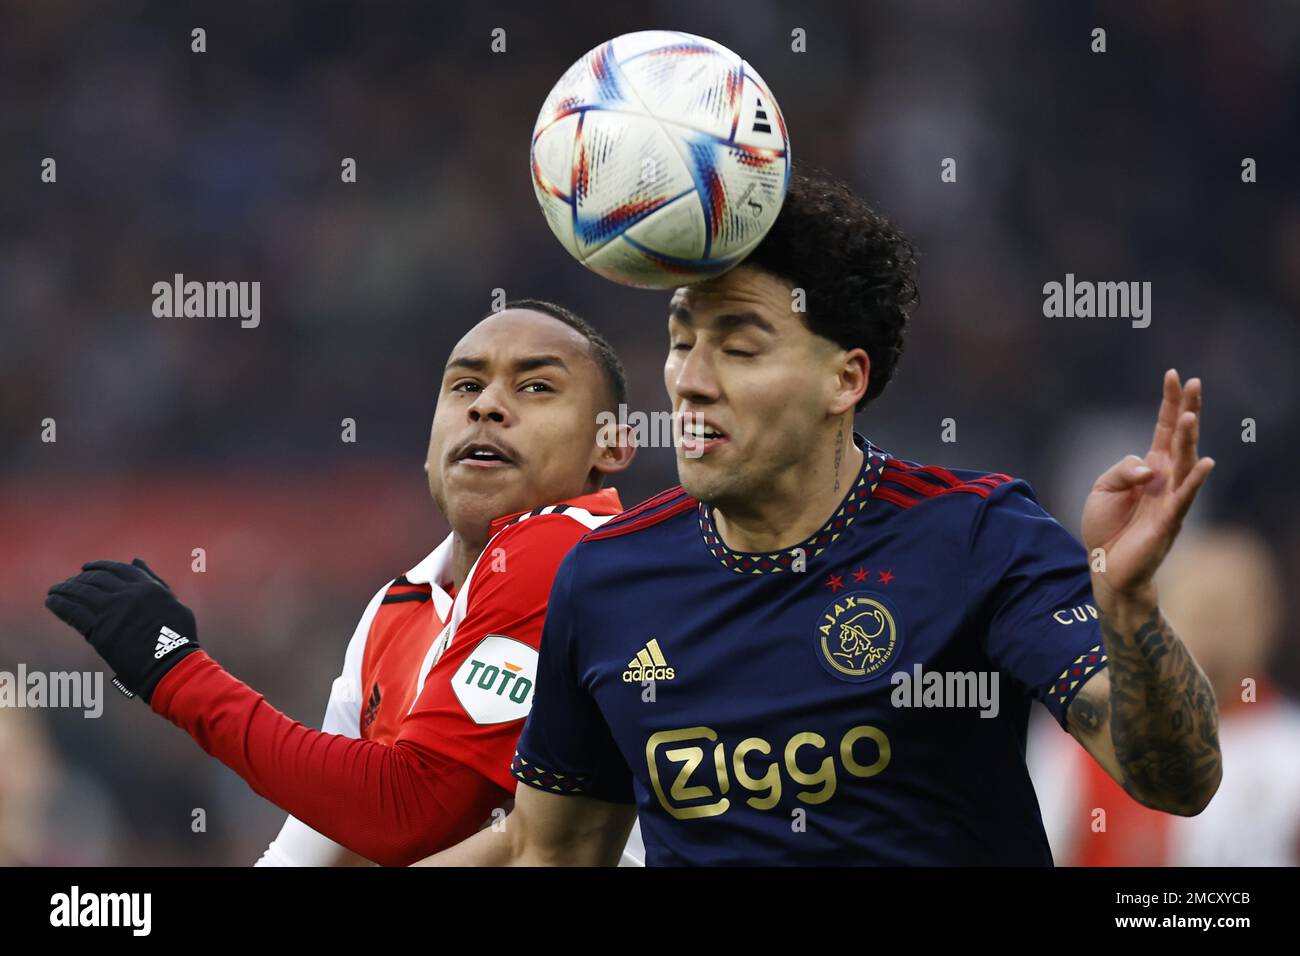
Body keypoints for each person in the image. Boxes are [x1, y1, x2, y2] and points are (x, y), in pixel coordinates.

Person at [421, 167, 1222, 866]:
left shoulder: (977, 536)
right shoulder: (605, 579)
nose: (691, 380)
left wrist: (1131, 612)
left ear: (845, 380)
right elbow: (549, 850)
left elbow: (1176, 781)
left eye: (738, 348)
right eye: (680, 340)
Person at [45, 301, 640, 866]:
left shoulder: (577, 549)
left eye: (536, 387)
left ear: (609, 442)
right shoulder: (395, 606)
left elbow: (410, 809)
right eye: (465, 386)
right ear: (429, 449)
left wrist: (177, 675)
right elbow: (322, 832)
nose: (487, 406)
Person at [1032, 525, 1300, 866]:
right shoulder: (1083, 734)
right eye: (1202, 611)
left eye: (1235, 613)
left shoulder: (1293, 749)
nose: (1218, 634)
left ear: (1271, 619)